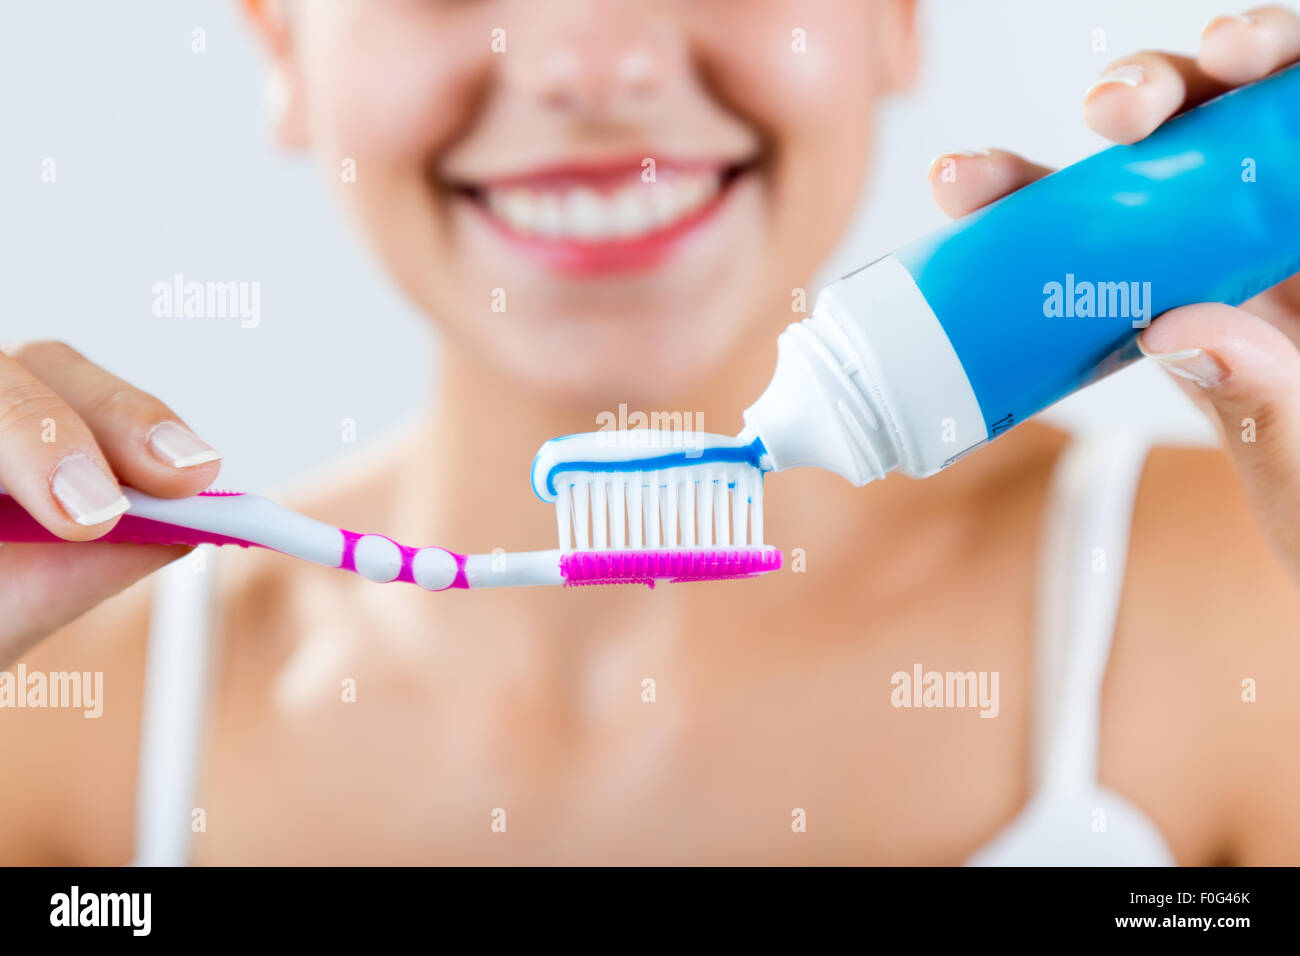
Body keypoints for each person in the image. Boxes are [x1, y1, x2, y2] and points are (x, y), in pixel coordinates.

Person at [2, 1, 1300, 865]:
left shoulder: (1256, 600)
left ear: (892, 18)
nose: (593, 64)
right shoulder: (52, 718)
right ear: (281, 40)